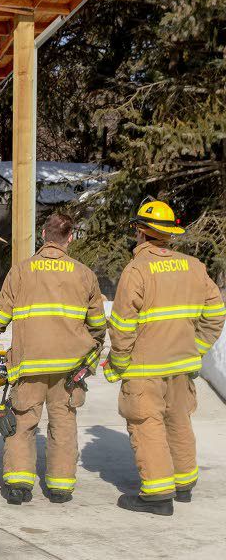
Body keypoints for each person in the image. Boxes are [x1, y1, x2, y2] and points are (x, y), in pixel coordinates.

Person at [0, 213, 106, 505]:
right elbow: (98, 327)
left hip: (29, 365)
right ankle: (60, 487)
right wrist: (89, 362)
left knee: (23, 422)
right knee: (64, 423)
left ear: (44, 234)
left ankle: (19, 485)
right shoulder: (85, 275)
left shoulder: (21, 271)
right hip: (69, 371)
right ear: (71, 238)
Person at [105, 200, 224, 515]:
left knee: (147, 424)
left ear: (140, 232)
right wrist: (196, 348)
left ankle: (157, 496)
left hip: (146, 368)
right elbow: (215, 312)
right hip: (182, 365)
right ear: (169, 233)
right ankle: (184, 484)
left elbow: (122, 326)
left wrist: (118, 363)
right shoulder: (194, 266)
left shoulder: (136, 270)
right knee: (178, 420)